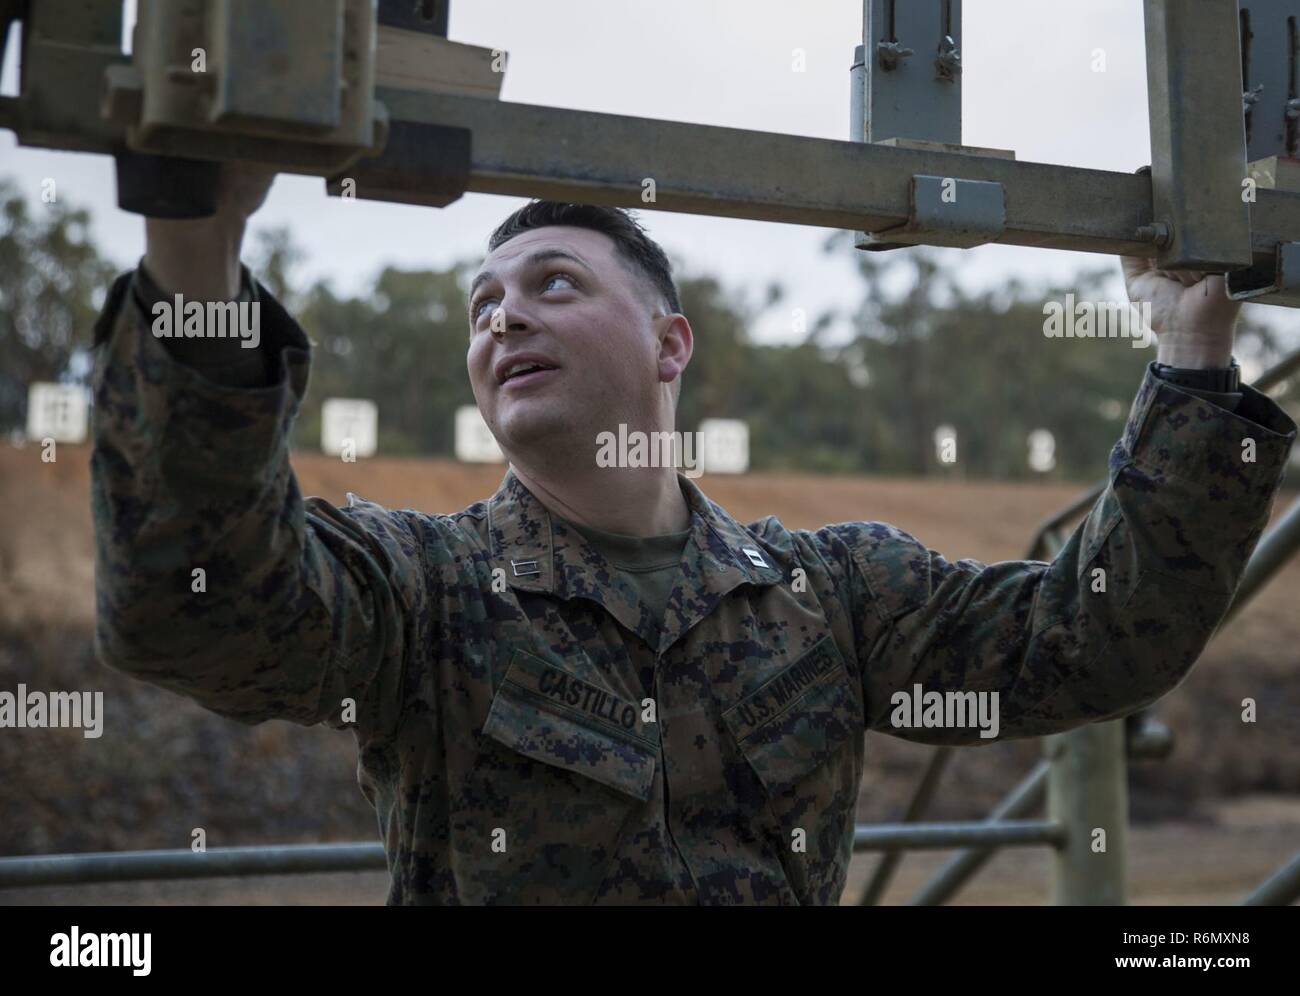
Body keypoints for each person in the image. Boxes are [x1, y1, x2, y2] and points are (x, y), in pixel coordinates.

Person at [91, 166, 1297, 904]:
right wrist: (195, 249)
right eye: (481, 306)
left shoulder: (832, 595)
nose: (503, 312)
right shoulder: (428, 587)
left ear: (670, 346)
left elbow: (1093, 641)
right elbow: (192, 615)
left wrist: (1190, 356)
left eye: (554, 283)